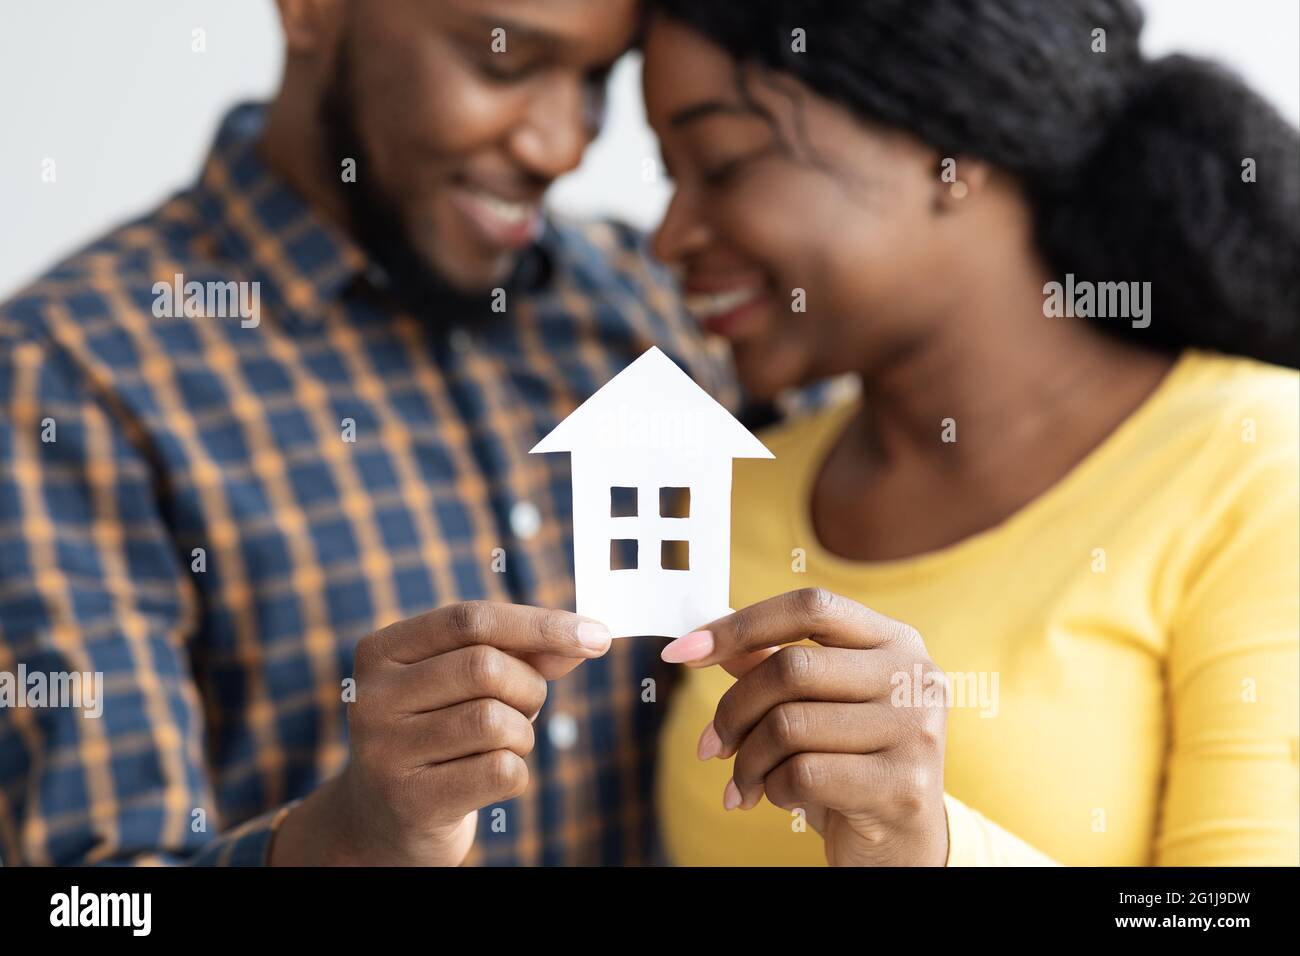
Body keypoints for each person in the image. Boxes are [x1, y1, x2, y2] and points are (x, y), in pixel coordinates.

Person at [0, 0, 739, 866]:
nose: (561, 147)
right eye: (502, 63)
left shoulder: (647, 306)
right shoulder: (69, 373)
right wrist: (355, 840)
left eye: (594, 81)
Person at [644, 0, 1300, 865]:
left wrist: (927, 846)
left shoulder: (1257, 462)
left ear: (950, 153)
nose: (668, 235)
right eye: (667, 175)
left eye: (723, 164)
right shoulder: (740, 488)